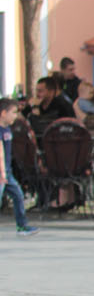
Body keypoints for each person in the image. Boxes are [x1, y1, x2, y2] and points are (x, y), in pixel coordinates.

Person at [1, 99, 39, 235]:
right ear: (3, 113)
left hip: (7, 171)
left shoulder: (7, 128)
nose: (15, 116)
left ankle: (22, 225)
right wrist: (2, 172)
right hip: (2, 171)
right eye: (13, 113)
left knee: (18, 195)